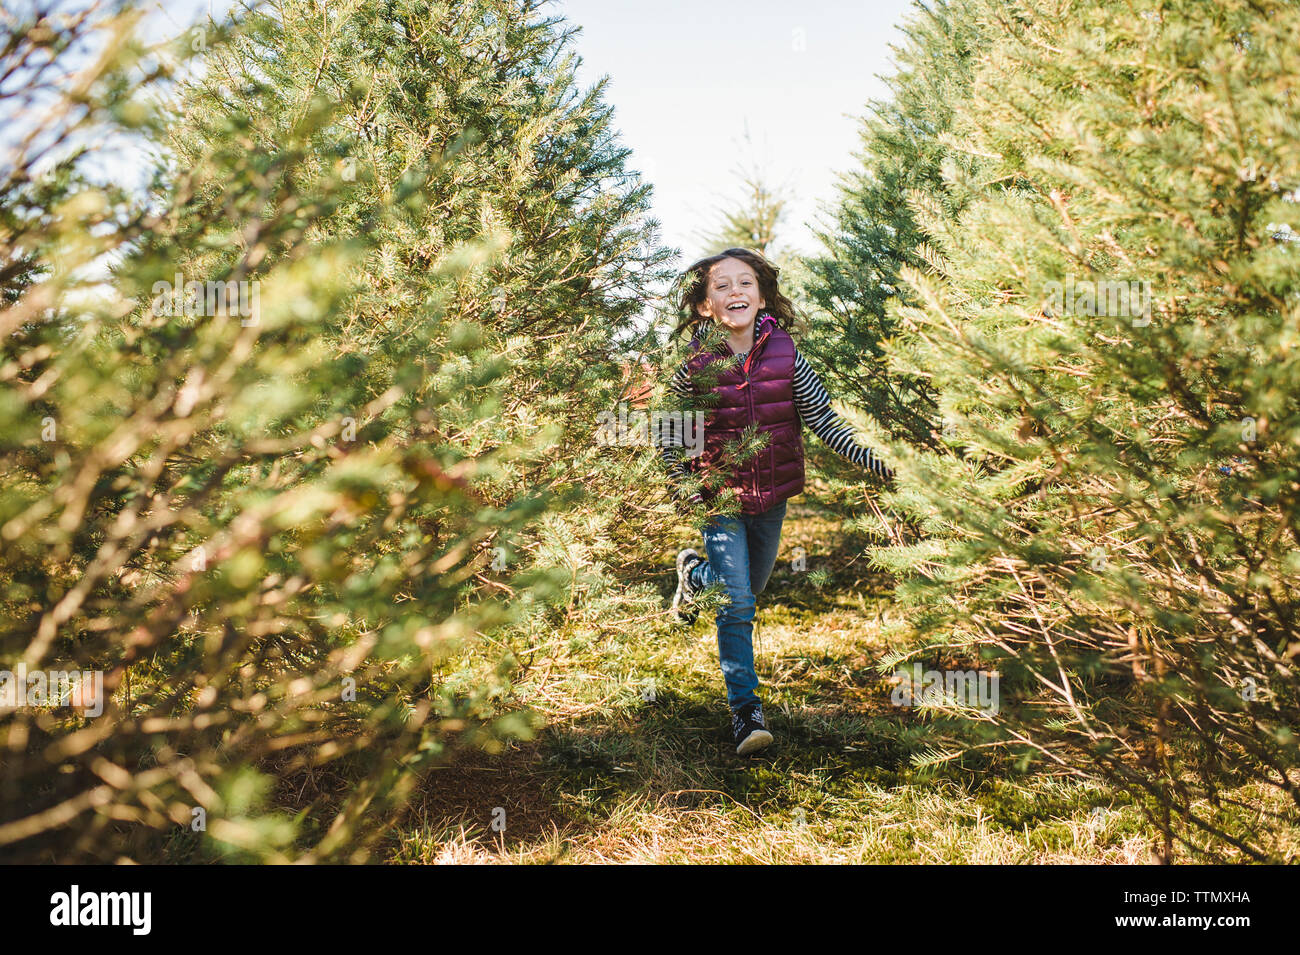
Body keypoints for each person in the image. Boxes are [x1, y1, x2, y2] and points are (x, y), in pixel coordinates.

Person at [661, 247, 892, 756]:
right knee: (738, 604)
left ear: (762, 295)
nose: (735, 292)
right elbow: (670, 434)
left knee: (749, 587)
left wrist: (885, 464)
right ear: (704, 305)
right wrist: (683, 486)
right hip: (718, 497)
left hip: (772, 497)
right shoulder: (694, 367)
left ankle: (694, 576)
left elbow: (826, 424)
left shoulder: (788, 357)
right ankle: (746, 712)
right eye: (721, 286)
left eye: (745, 283)